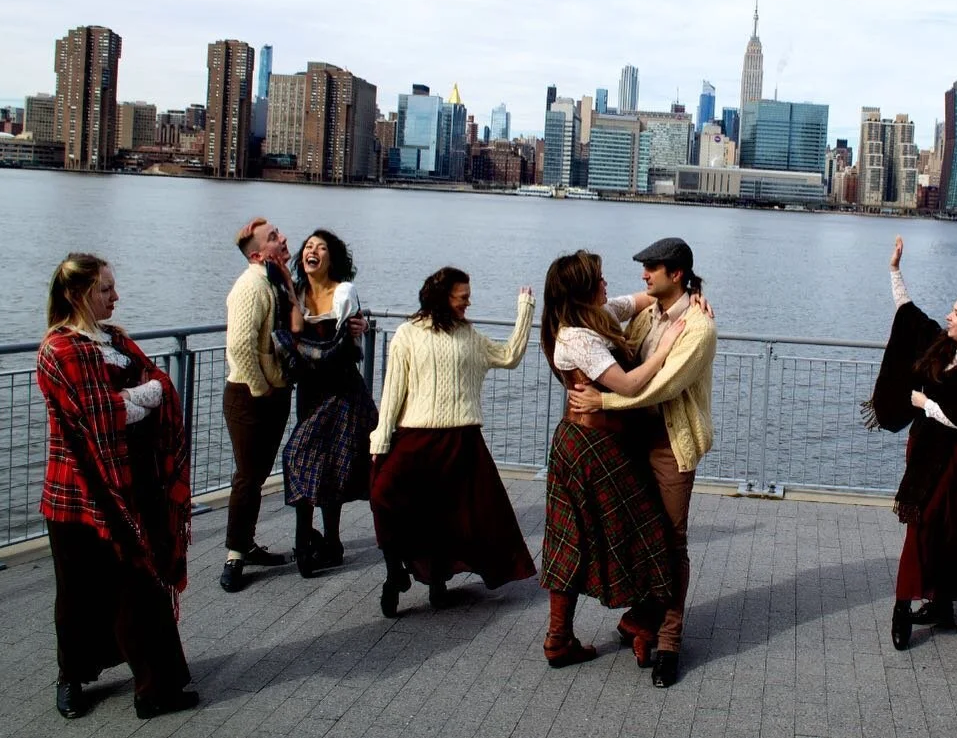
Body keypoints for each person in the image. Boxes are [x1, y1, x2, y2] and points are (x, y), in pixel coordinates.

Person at [36, 254, 197, 720]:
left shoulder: (117, 340)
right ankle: (72, 677)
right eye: (105, 289)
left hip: (135, 485)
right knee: (77, 591)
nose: (115, 296)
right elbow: (97, 415)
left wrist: (137, 396)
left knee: (142, 586)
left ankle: (154, 686)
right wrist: (139, 396)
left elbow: (162, 384)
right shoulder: (58, 350)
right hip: (80, 493)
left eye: (113, 287)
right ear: (77, 295)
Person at [567, 237, 717, 688]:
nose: (643, 275)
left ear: (676, 274)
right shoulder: (648, 314)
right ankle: (643, 619)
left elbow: (662, 388)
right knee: (639, 534)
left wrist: (604, 400)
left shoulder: (698, 328)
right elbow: (617, 347)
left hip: (671, 445)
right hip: (632, 440)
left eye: (651, 268)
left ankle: (669, 642)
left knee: (672, 541)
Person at [538, 250, 684, 669]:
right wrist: (668, 346)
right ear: (582, 290)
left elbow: (640, 300)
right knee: (649, 531)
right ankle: (639, 621)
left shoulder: (594, 315)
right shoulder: (576, 337)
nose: (607, 284)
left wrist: (689, 297)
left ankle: (558, 639)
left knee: (570, 537)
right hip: (594, 446)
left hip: (577, 443)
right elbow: (630, 384)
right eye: (599, 279)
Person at [369, 267, 537, 616]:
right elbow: (392, 392)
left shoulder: (469, 336)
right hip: (415, 437)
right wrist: (381, 441)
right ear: (442, 296)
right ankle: (394, 574)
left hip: (463, 440)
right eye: (463, 297)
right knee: (383, 497)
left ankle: (437, 586)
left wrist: (525, 311)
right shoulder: (407, 334)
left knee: (448, 517)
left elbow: (509, 357)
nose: (468, 303)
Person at [863, 236, 957, 651]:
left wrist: (926, 401)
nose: (949, 315)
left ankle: (904, 606)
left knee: (936, 528)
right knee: (929, 526)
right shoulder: (942, 343)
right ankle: (939, 605)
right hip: (923, 448)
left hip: (952, 457)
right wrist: (894, 270)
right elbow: (908, 313)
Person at [275, 229, 377, 578]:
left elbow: (346, 349)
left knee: (319, 461)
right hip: (310, 391)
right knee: (306, 459)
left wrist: (357, 329)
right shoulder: (295, 294)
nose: (312, 251)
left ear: (332, 258)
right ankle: (316, 542)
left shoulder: (344, 292)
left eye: (320, 248)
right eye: (308, 247)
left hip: (341, 391)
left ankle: (316, 542)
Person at [219, 217, 303, 592]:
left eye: (280, 232)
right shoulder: (251, 285)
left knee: (255, 476)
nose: (283, 238)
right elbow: (239, 346)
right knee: (247, 477)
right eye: (273, 237)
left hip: (273, 391)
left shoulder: (275, 281)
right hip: (251, 395)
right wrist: (261, 389)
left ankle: (246, 545)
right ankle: (234, 557)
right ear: (256, 254)